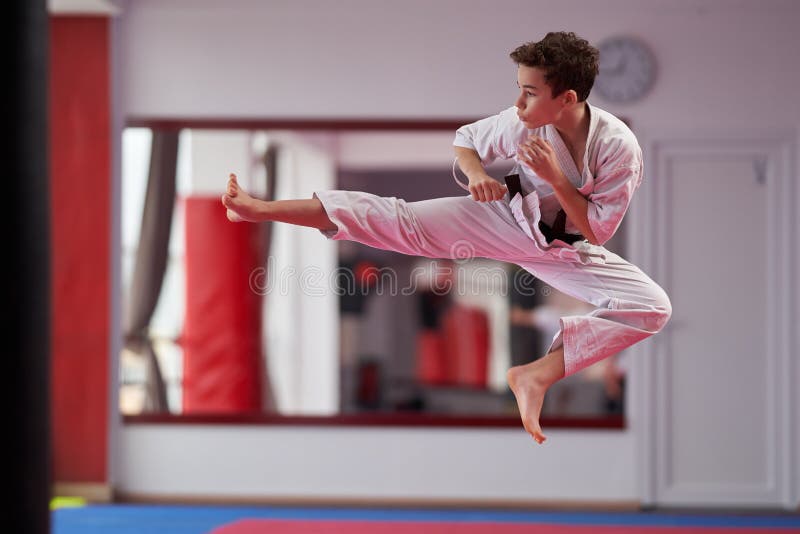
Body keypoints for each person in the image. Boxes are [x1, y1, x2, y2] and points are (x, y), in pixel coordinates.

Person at [221, 31, 672, 445]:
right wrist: (477, 175)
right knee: (396, 219)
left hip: (566, 249)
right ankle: (261, 209)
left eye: (530, 92)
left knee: (653, 306)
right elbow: (467, 140)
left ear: (567, 98)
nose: (518, 102)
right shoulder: (524, 123)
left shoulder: (618, 148)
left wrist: (557, 180)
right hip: (505, 219)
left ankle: (535, 376)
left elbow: (596, 229)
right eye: (519, 87)